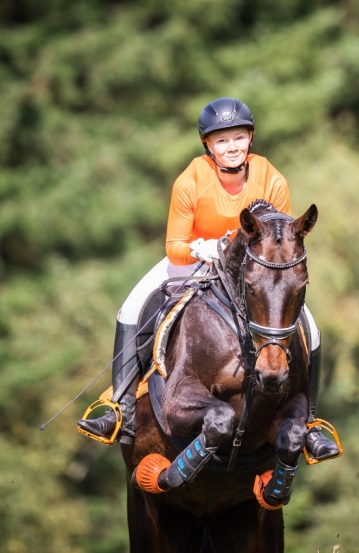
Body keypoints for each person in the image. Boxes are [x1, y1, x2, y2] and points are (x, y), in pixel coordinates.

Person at [77, 97, 340, 461]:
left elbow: (279, 240)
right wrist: (205, 248)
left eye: (239, 137)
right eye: (222, 140)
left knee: (311, 327)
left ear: (250, 138)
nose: (232, 147)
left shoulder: (272, 178)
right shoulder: (191, 180)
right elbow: (174, 247)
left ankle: (309, 421)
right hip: (196, 259)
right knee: (131, 307)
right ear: (208, 145)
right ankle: (119, 407)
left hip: (251, 268)